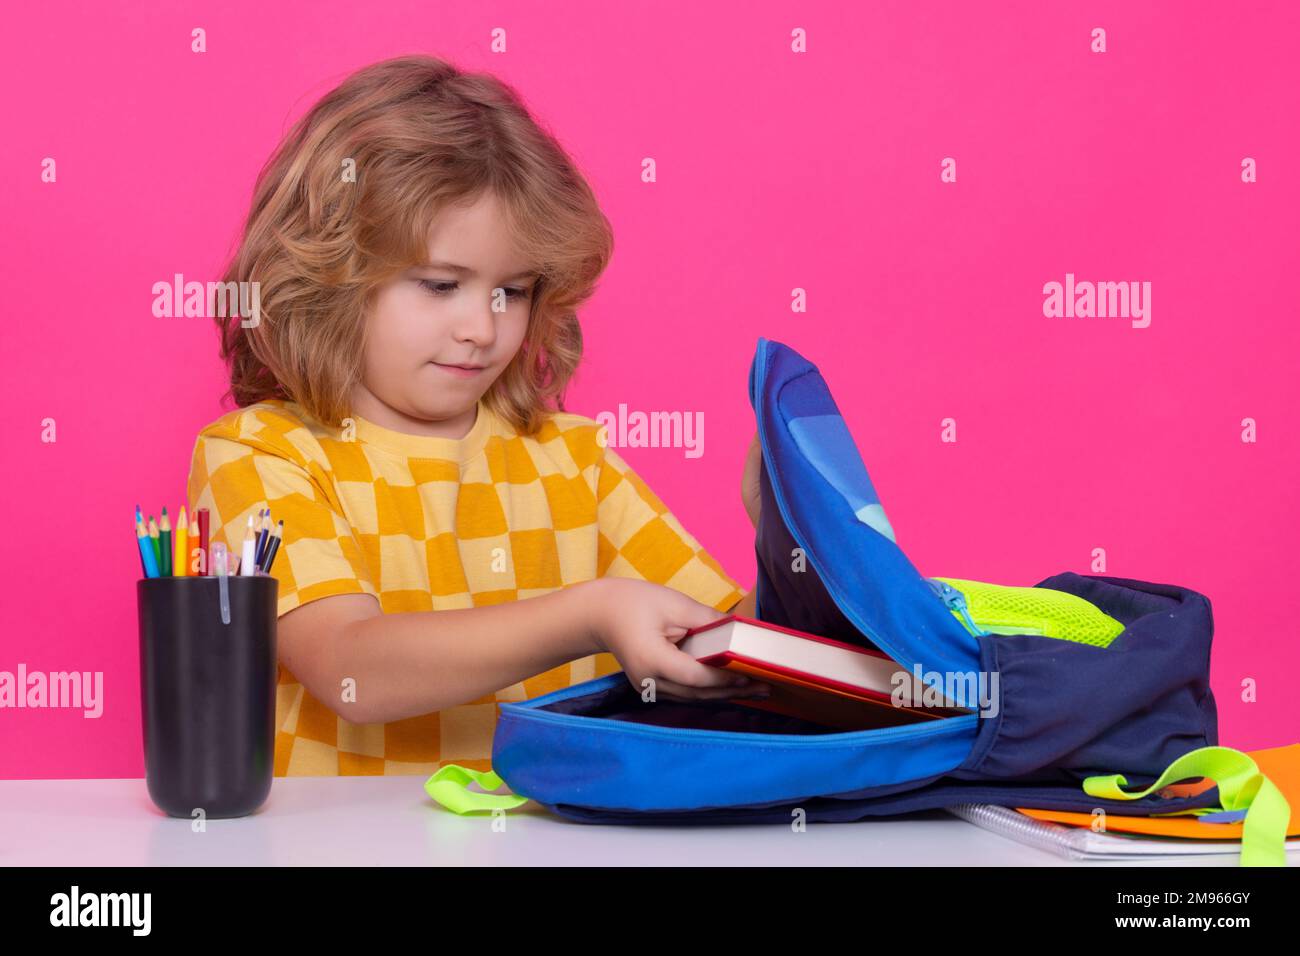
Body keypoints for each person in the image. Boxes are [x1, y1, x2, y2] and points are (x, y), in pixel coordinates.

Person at [187, 54, 770, 776]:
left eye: (513, 291)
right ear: (327, 279)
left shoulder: (572, 459)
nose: (481, 329)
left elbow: (717, 643)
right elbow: (351, 671)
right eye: (440, 285)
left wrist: (787, 551)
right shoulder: (261, 456)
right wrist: (587, 614)